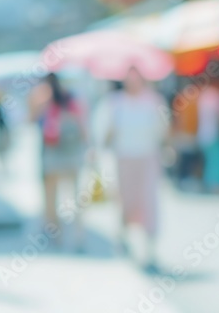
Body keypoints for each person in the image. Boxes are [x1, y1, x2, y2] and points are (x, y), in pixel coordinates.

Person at [101, 68, 169, 270]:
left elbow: (163, 130)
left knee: (149, 202)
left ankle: (150, 251)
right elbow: (107, 132)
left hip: (148, 156)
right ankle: (123, 239)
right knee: (125, 200)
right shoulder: (116, 103)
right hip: (124, 157)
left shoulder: (154, 101)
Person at [32, 73, 88, 250]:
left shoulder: (42, 97)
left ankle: (54, 232)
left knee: (51, 196)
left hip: (52, 153)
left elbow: (30, 118)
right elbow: (82, 127)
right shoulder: (72, 99)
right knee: (75, 195)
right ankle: (78, 235)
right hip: (71, 153)